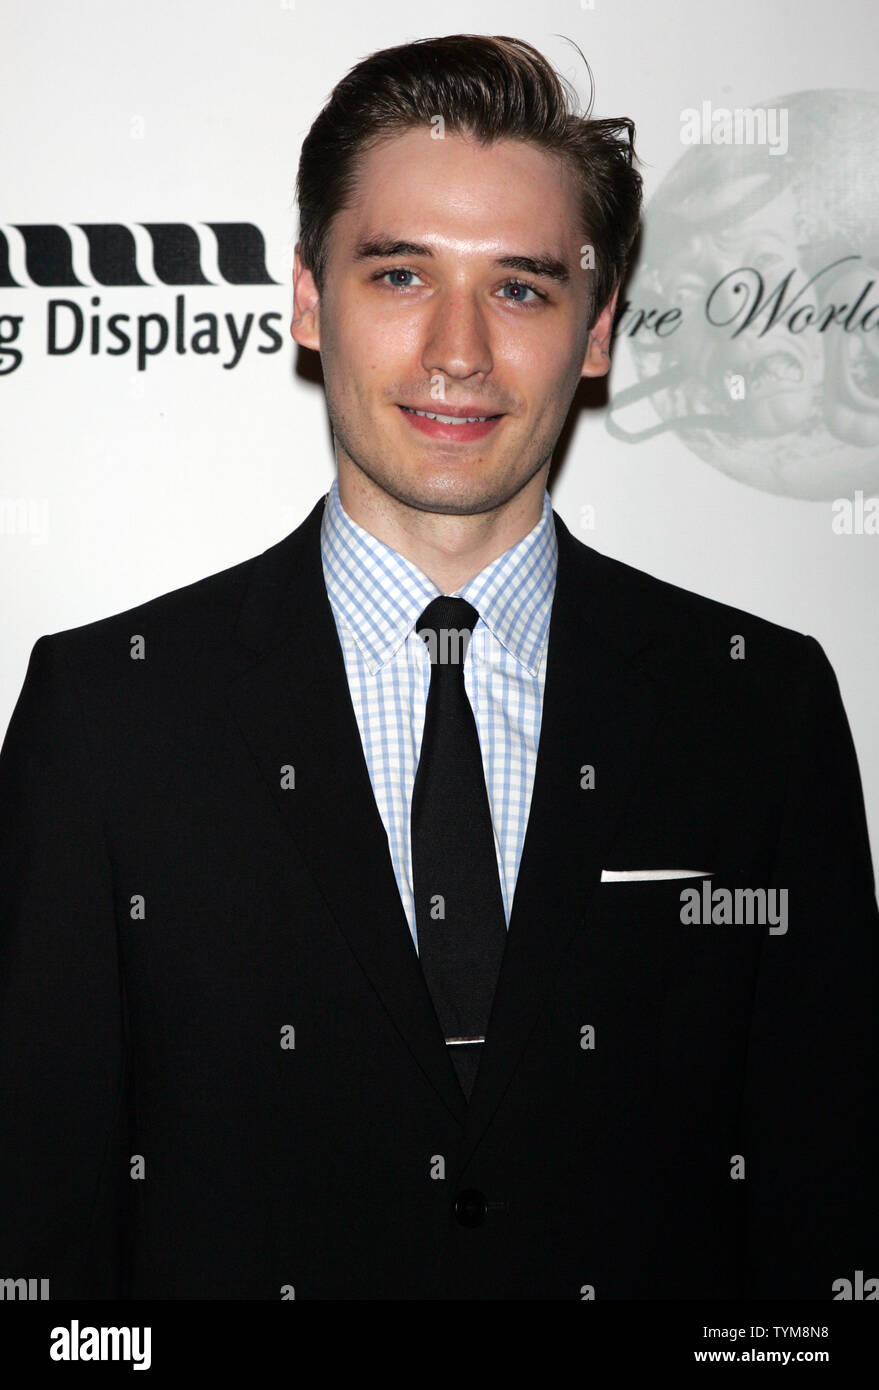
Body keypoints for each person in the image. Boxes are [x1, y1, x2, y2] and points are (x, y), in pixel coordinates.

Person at [0, 33, 875, 1301]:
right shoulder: (107, 712)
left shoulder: (762, 704)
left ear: (596, 329)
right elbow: (40, 1236)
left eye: (520, 288)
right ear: (307, 300)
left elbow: (825, 1208)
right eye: (402, 274)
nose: (459, 349)